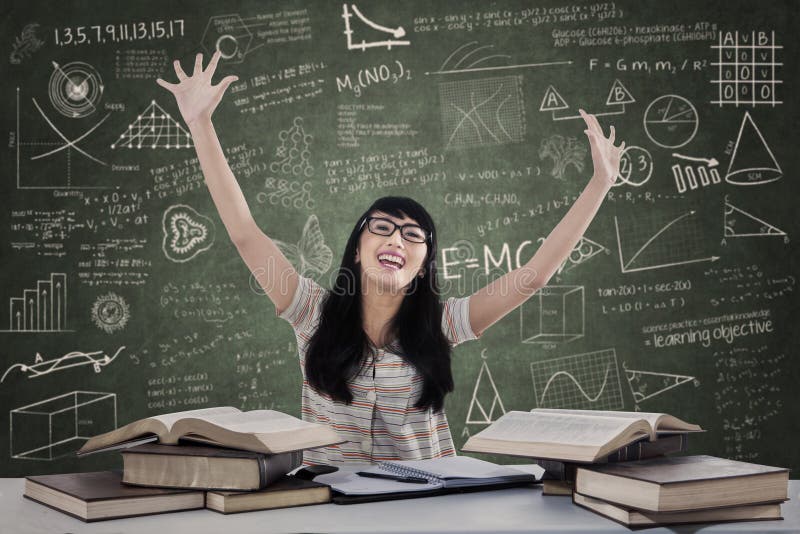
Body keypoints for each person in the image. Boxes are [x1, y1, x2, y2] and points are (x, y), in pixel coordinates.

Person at [157, 52, 625, 465]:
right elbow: (245, 233)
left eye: (412, 234)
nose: (395, 240)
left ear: (424, 263)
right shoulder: (310, 312)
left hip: (429, 505)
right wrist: (200, 122)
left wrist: (600, 184)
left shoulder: (442, 324)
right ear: (357, 249)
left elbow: (532, 277)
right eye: (380, 228)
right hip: (331, 507)